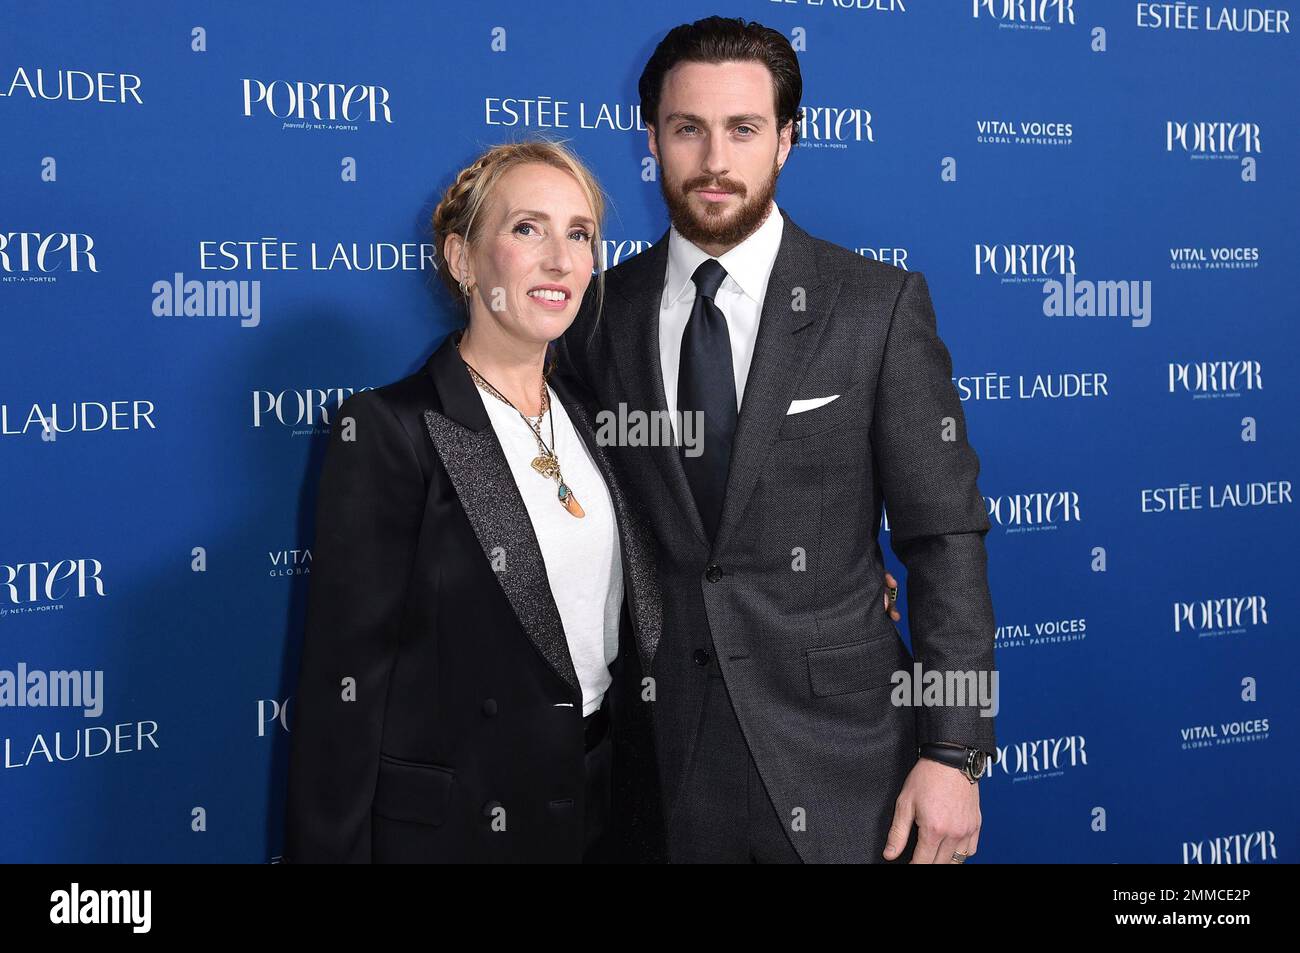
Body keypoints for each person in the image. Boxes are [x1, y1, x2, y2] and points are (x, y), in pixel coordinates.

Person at [554, 16, 998, 864]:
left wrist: (954, 751)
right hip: (659, 763)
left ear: (787, 140)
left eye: (744, 129)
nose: (715, 160)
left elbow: (944, 539)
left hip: (847, 760)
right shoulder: (596, 316)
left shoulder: (876, 305)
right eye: (688, 129)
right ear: (651, 138)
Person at [283, 139, 666, 862]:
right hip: (463, 827)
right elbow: (345, 692)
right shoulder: (392, 429)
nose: (560, 258)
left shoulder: (596, 418)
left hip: (602, 808)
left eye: (578, 234)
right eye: (528, 228)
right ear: (462, 260)